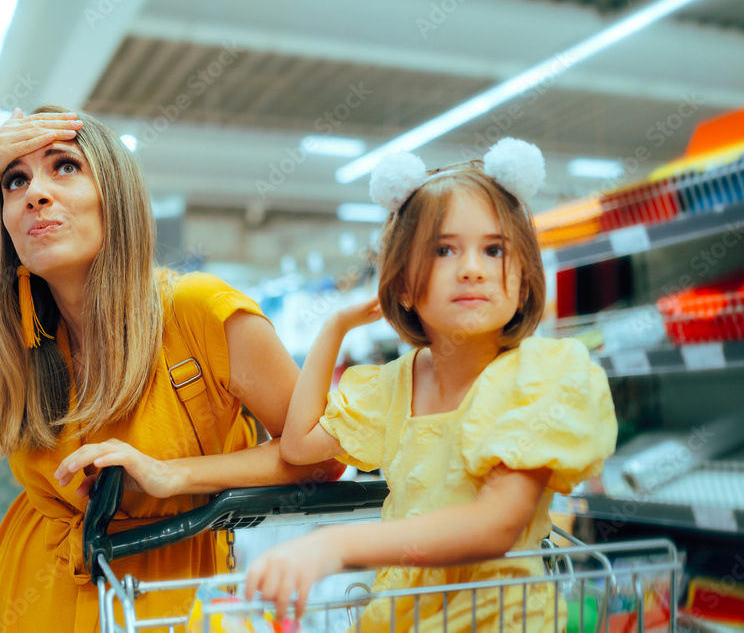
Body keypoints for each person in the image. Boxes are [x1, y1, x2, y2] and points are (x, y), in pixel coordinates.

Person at [0, 106, 341, 632]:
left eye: (66, 166)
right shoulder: (4, 320)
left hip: (164, 596)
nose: (34, 193)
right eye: (14, 181)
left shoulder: (198, 312)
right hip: (27, 595)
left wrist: (176, 475)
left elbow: (322, 456)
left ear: (116, 196)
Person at [245, 139, 618, 631]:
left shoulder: (540, 377)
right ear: (404, 285)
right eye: (444, 250)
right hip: (405, 614)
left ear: (524, 280)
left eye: (494, 249)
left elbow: (495, 525)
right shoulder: (396, 384)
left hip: (498, 618)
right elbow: (298, 445)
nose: (472, 268)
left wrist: (335, 545)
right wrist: (334, 327)